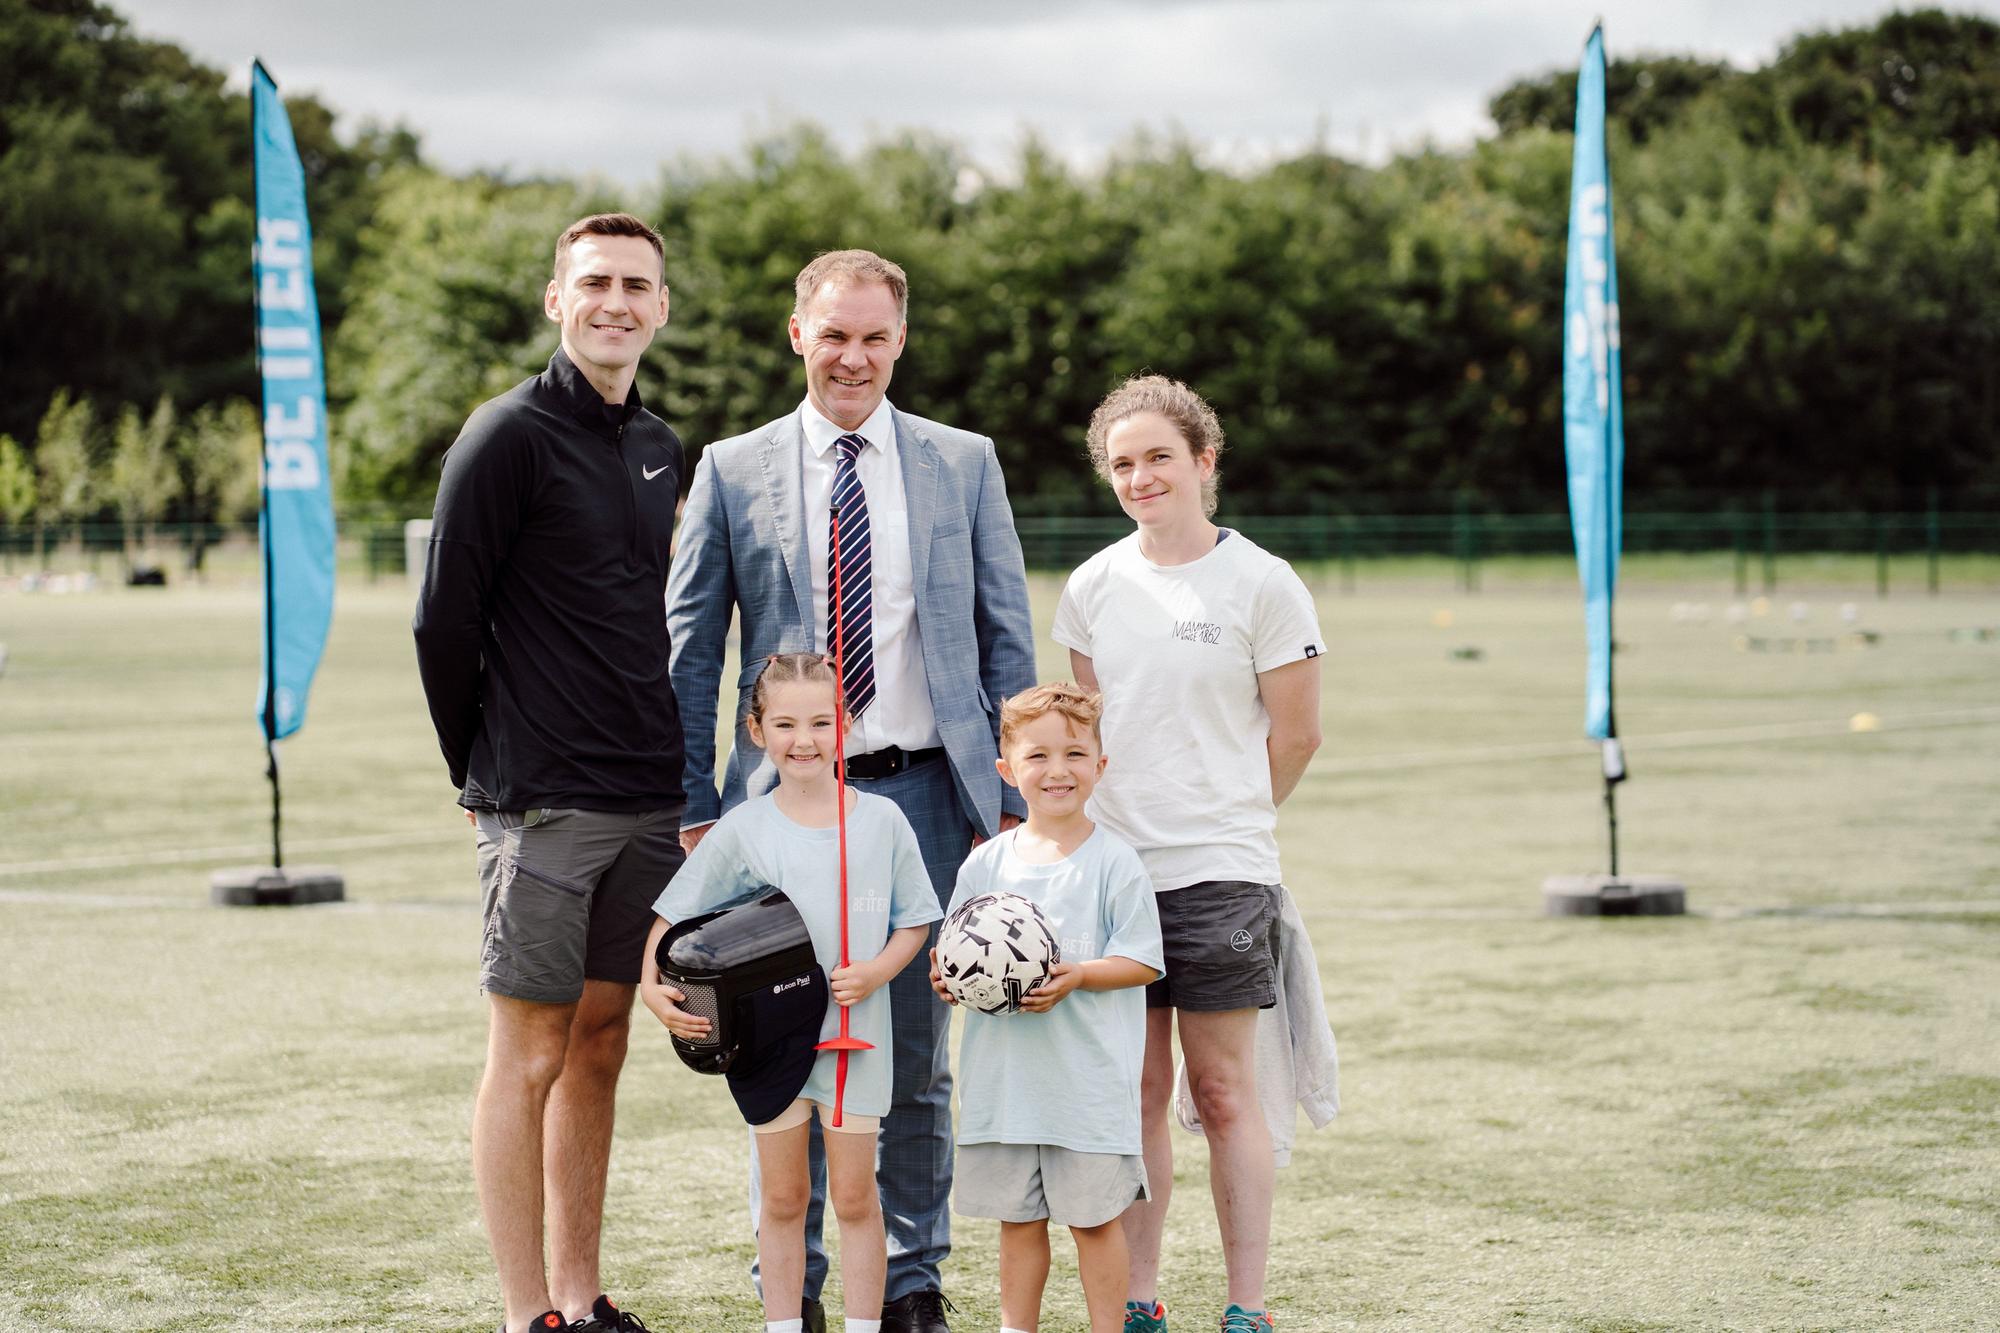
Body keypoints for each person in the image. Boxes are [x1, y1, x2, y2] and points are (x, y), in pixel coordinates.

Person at [667, 249, 1037, 1333]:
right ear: (798, 335)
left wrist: (1010, 795)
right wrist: (697, 796)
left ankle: (913, 1280)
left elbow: (1004, 629)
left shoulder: (961, 462)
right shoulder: (732, 468)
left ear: (900, 342)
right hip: (779, 810)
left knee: (912, 1055)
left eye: (875, 337)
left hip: (925, 797)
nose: (854, 356)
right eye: (834, 334)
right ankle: (796, 1286)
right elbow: (693, 648)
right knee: (780, 1040)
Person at [412, 212, 684, 1333]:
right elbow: (442, 625)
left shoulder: (662, 442)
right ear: (555, 299)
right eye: (594, 283)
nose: (615, 301)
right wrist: (488, 775)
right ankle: (529, 1313)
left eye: (636, 285)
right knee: (525, 1052)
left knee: (601, 1043)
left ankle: (582, 1292)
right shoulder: (503, 433)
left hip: (650, 797)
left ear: (660, 307)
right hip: (541, 802)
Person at [1050, 376, 1325, 1333]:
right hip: (1115, 878)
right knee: (1135, 1090)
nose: (1140, 477)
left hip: (1220, 874)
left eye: (1159, 456)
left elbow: (1295, 738)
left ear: (1204, 460)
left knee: (1221, 1091)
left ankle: (1246, 1305)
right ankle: (1138, 1298)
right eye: (1121, 464)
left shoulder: (1264, 582)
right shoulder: (1091, 586)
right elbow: (1088, 732)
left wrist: (1228, 821)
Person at [643, 653, 941, 1333]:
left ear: (847, 722)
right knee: (783, 1197)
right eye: (784, 723)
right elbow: (671, 917)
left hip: (857, 1041)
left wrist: (876, 971)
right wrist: (649, 987)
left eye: (819, 721)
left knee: (856, 1197)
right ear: (756, 730)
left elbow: (916, 918)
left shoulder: (884, 821)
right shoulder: (745, 826)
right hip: (770, 1042)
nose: (802, 739)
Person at [931, 683, 1163, 1333]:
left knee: (1093, 1222)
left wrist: (1080, 974)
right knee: (1019, 1222)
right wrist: (947, 977)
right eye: (1037, 756)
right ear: (1007, 770)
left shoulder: (1115, 863)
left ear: (1100, 764)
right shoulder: (984, 864)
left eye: (1074, 753)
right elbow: (954, 953)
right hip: (1006, 1088)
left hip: (1085, 1089)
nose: (1057, 770)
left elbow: (1144, 959)